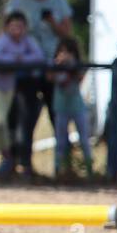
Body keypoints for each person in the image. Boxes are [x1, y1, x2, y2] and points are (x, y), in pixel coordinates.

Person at [6, 0, 74, 132]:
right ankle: (22, 154)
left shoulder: (59, 2)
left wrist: (52, 23)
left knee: (57, 113)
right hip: (27, 69)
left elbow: (67, 33)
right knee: (24, 116)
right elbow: (6, 32)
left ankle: (63, 154)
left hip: (53, 67)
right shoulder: (19, 3)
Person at [0, 11, 46, 177]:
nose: (17, 30)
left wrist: (19, 59)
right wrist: (16, 58)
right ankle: (2, 154)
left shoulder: (27, 41)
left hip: (8, 88)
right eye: (13, 26)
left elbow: (39, 56)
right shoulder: (4, 40)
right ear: (7, 28)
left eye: (20, 26)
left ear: (25, 28)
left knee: (7, 123)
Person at [49, 36, 93, 177]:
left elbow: (80, 77)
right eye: (62, 51)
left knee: (84, 139)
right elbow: (49, 77)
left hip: (77, 106)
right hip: (60, 106)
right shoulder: (54, 65)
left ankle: (89, 170)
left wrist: (71, 65)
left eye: (68, 52)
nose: (65, 55)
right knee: (60, 141)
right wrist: (58, 65)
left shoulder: (77, 65)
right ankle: (58, 170)